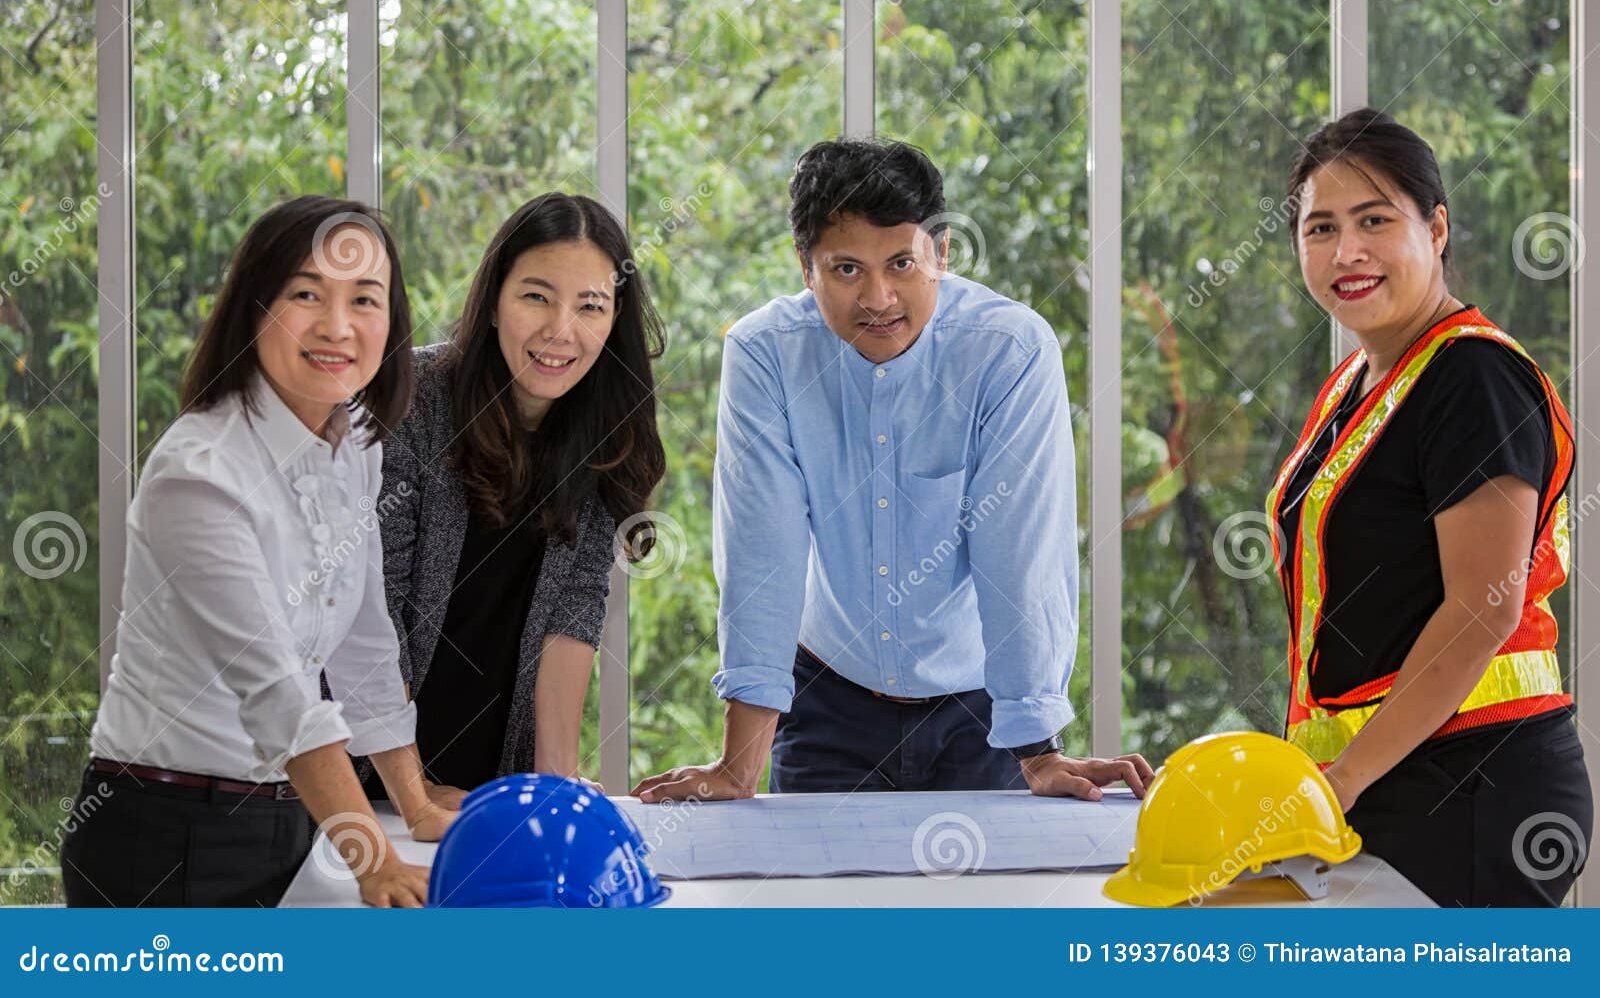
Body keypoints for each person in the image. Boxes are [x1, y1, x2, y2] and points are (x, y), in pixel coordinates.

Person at [634, 138, 1152, 802]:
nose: (877, 296)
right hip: (827, 706)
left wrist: (1037, 746)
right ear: (805, 267)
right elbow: (763, 554)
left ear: (940, 252)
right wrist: (738, 765)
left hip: (980, 714)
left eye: (901, 262)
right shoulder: (766, 354)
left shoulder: (1008, 350)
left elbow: (1019, 553)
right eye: (846, 269)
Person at [61, 196, 453, 908]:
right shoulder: (200, 470)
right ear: (255, 305)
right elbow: (279, 696)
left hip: (293, 817)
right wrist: (376, 860)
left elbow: (364, 643)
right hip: (163, 835)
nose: (337, 326)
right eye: (306, 293)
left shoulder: (356, 441)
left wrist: (416, 803)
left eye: (364, 299)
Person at [1268, 108, 1592, 906]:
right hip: (1389, 783)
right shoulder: (1357, 386)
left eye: (1374, 219)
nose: (1347, 252)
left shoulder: (1472, 377)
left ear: (1436, 226)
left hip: (1475, 790)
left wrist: (1343, 777)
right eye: (1320, 228)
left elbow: (1483, 608)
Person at [372, 193, 665, 807]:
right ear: (494, 303)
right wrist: (414, 791)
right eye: (536, 296)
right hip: (367, 775)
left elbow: (573, 617)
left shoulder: (608, 433)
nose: (561, 331)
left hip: (493, 781)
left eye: (590, 306)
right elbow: (374, 611)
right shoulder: (411, 400)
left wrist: (553, 781)